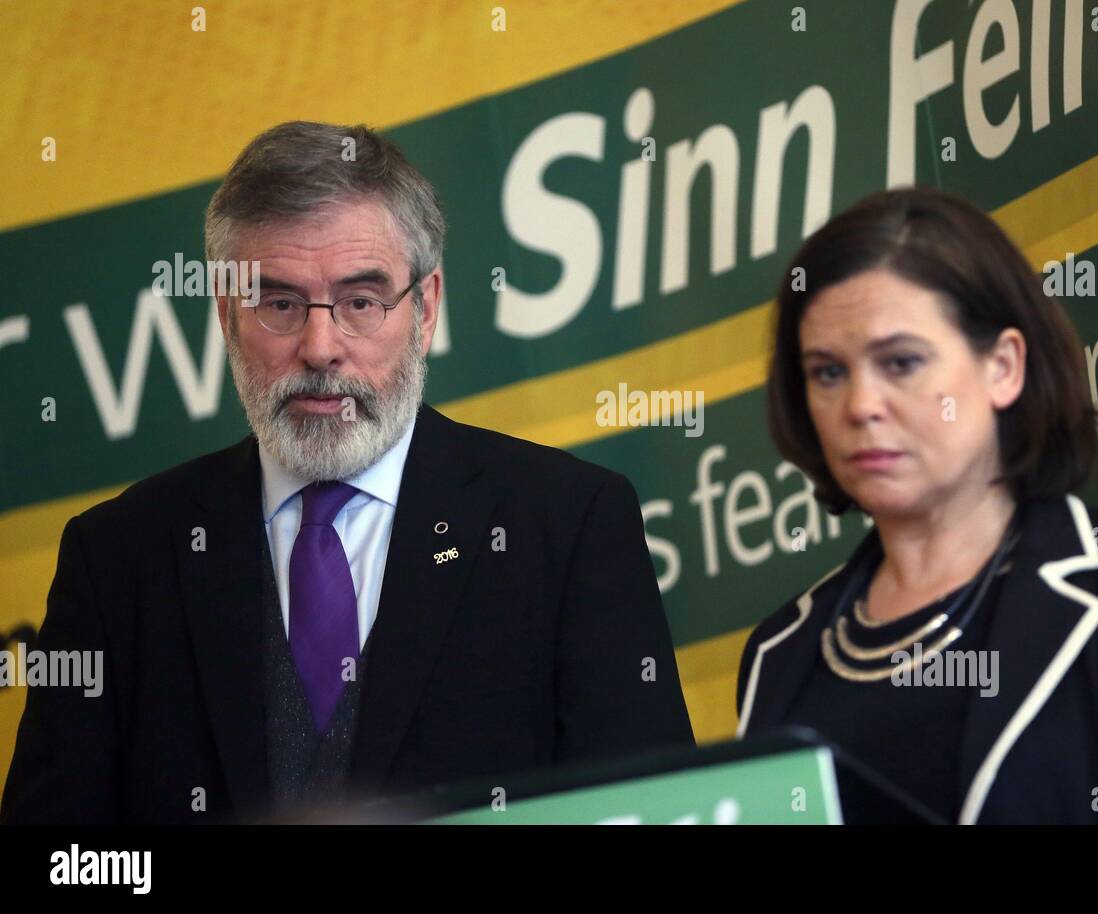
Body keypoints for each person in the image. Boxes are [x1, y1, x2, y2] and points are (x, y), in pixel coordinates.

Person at [1, 121, 693, 824]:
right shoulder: (119, 557)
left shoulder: (568, 525)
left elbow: (650, 817)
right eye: (279, 304)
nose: (320, 347)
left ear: (425, 310)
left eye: (361, 301)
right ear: (224, 316)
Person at [737, 186, 1098, 824]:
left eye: (901, 362)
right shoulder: (778, 654)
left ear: (1003, 367)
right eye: (828, 372)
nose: (861, 405)